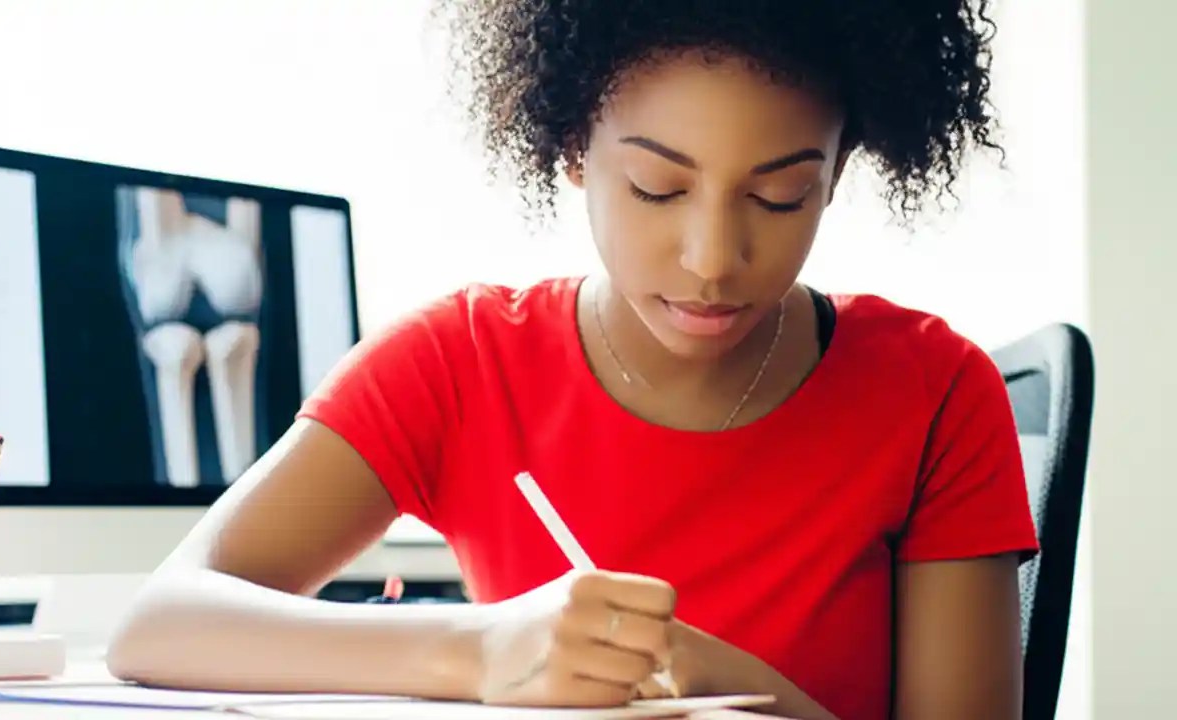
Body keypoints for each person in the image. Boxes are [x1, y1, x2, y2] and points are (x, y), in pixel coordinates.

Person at [107, 2, 1038, 719]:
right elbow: (159, 625)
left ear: (839, 172)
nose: (713, 258)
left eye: (781, 196)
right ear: (570, 150)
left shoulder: (935, 394)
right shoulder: (460, 362)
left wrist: (741, 689)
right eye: (655, 187)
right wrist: (476, 652)